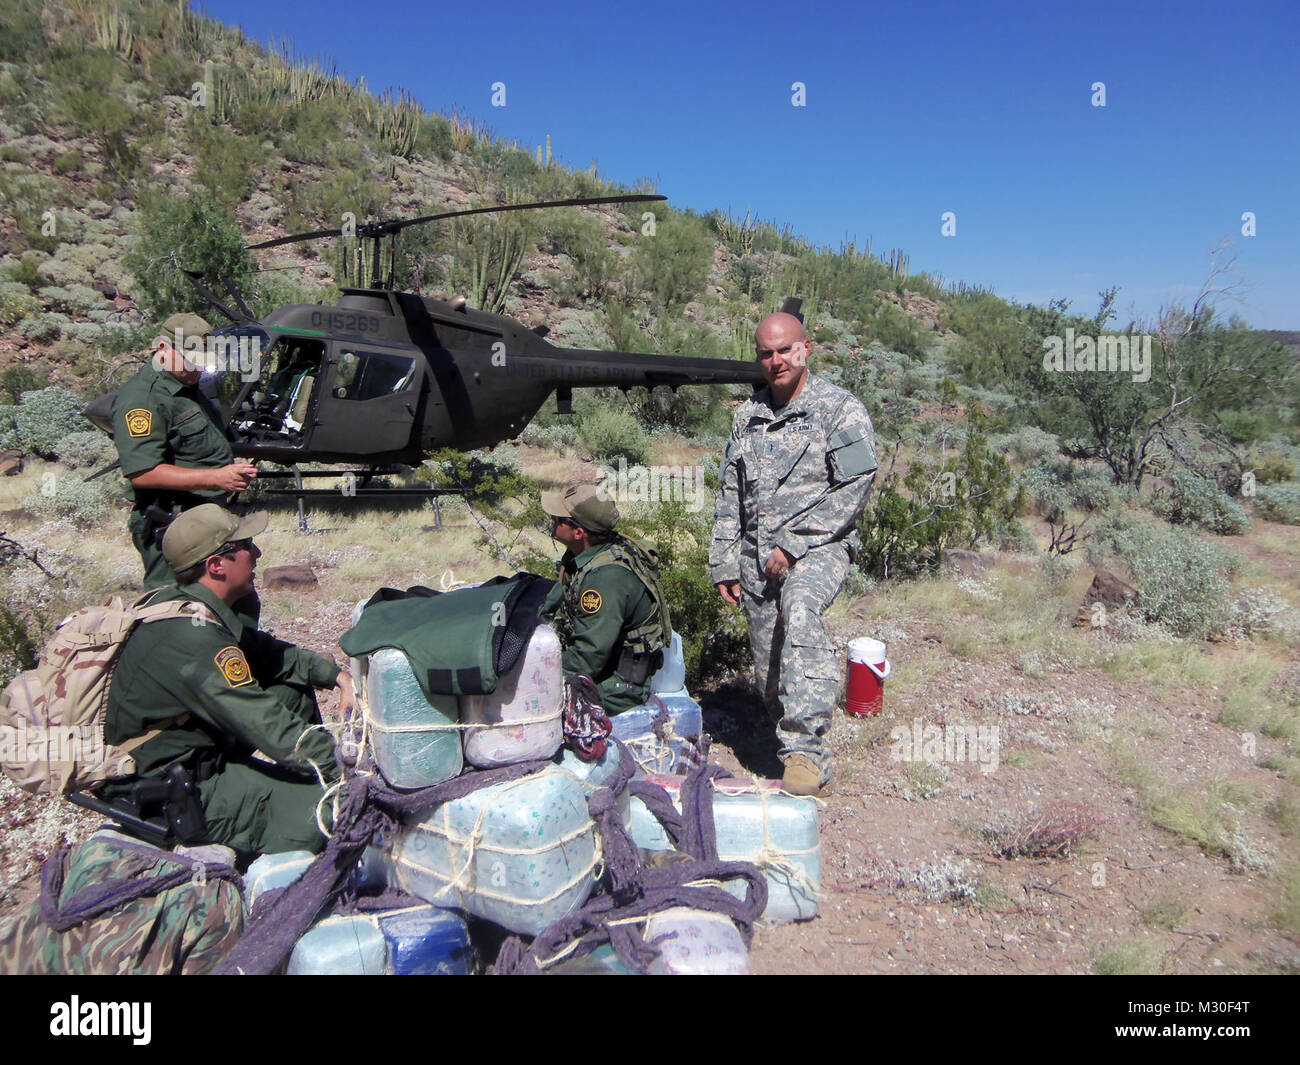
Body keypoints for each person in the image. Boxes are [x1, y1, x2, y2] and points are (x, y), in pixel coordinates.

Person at [102, 504, 355, 855]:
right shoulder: (192, 639)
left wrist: (338, 677)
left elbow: (268, 652)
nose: (257, 553)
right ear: (216, 566)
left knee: (293, 692)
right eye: (245, 545)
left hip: (192, 749)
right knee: (336, 816)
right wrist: (349, 767)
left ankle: (308, 781)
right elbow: (265, 722)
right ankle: (302, 803)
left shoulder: (188, 605)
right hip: (171, 786)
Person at [710, 312, 878, 796]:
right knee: (770, 670)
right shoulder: (748, 417)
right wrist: (724, 560)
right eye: (766, 352)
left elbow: (855, 485)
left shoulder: (839, 410)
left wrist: (795, 541)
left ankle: (807, 752)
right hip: (757, 556)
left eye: (785, 350)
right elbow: (729, 493)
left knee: (800, 610)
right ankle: (783, 735)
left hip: (820, 546)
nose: (776, 360)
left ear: (806, 348)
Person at [111, 312, 258, 591]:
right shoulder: (143, 399)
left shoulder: (187, 386)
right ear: (162, 348)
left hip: (209, 519)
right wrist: (215, 478)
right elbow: (143, 473)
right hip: (174, 525)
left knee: (237, 599)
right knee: (179, 606)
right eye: (191, 359)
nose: (199, 368)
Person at [540, 483, 671, 714]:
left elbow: (587, 659)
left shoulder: (605, 579)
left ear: (578, 532)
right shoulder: (583, 553)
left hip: (619, 687)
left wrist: (538, 672)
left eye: (559, 519)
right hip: (601, 665)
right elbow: (554, 599)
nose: (553, 520)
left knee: (534, 702)